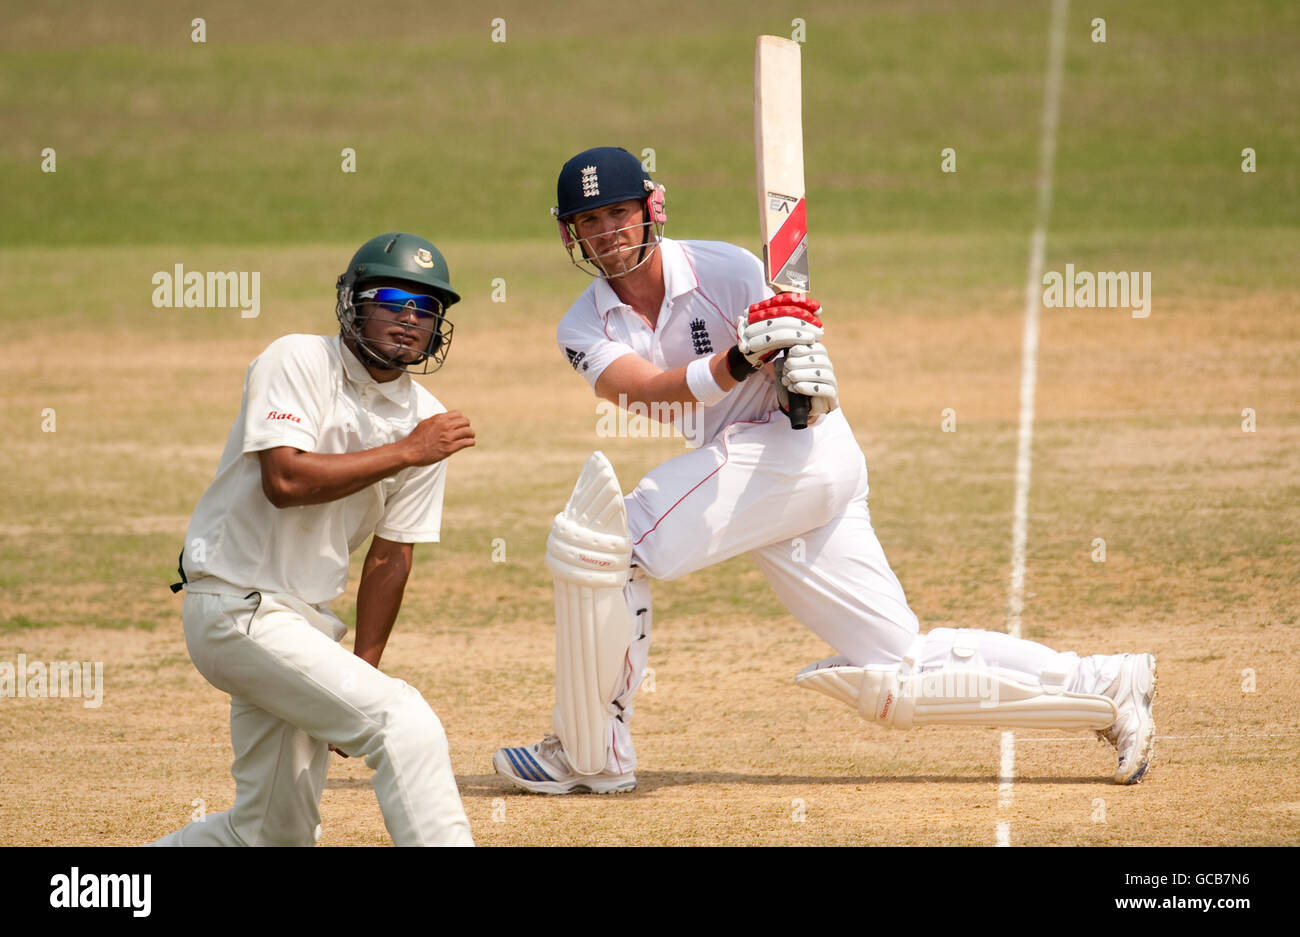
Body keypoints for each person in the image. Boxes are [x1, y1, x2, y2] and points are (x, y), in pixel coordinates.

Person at [493, 147, 1156, 795]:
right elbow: (645, 389)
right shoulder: (581, 325)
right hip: (773, 481)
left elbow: (803, 373)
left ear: (650, 207)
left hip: (800, 449)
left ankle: (589, 752)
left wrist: (798, 370)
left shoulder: (725, 270)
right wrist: (738, 360)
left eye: (617, 213)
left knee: (610, 540)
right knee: (898, 671)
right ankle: (1106, 681)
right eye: (589, 221)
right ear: (568, 231)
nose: (607, 233)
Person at [153, 233, 476, 846]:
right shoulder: (298, 359)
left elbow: (392, 553)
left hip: (302, 626)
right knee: (404, 723)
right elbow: (285, 479)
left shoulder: (427, 416)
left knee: (269, 836)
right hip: (236, 607)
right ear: (353, 301)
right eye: (392, 298)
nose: (410, 319)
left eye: (427, 308)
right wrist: (408, 450)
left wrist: (364, 666)